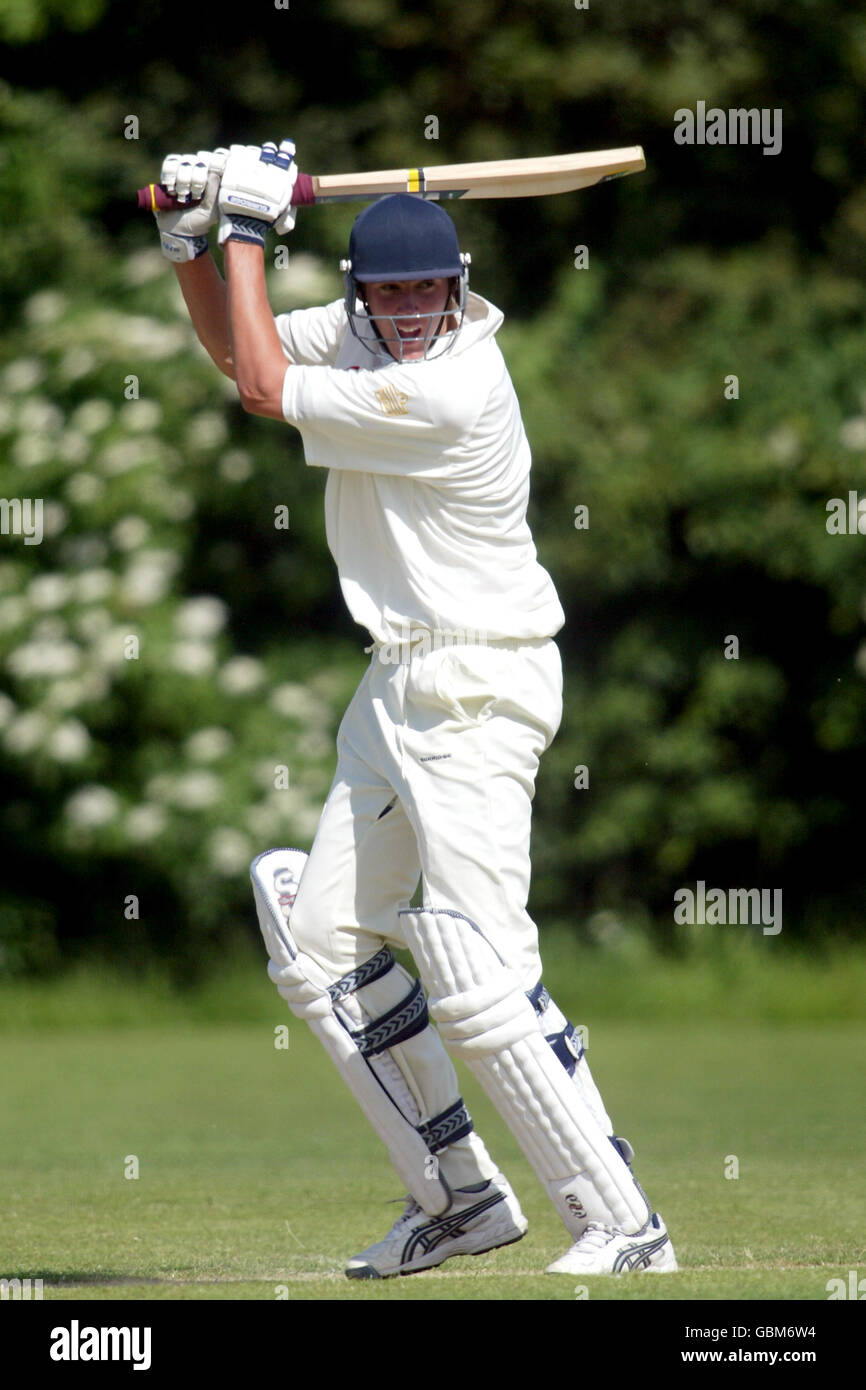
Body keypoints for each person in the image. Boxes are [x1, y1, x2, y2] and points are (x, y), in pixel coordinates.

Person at [156, 141, 677, 1279]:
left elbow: (257, 391)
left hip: (480, 680)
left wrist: (248, 231)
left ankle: (624, 1219)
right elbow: (229, 349)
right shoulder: (356, 334)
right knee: (320, 942)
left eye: (421, 293)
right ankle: (459, 1200)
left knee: (478, 963)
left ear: (458, 287)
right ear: (360, 292)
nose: (401, 311)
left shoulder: (452, 386)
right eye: (384, 293)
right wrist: (193, 240)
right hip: (393, 678)